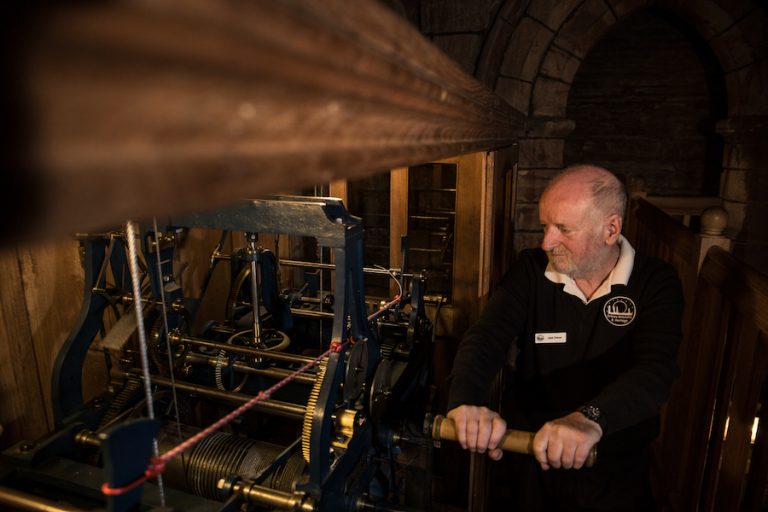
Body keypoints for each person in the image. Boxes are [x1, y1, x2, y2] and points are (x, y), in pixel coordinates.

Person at [446, 165, 683, 511]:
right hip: (528, 455)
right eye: (545, 226)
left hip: (614, 463)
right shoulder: (530, 269)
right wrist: (465, 400)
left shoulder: (656, 283)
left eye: (563, 229)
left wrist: (589, 418)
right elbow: (486, 337)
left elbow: (655, 371)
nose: (546, 242)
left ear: (611, 229)